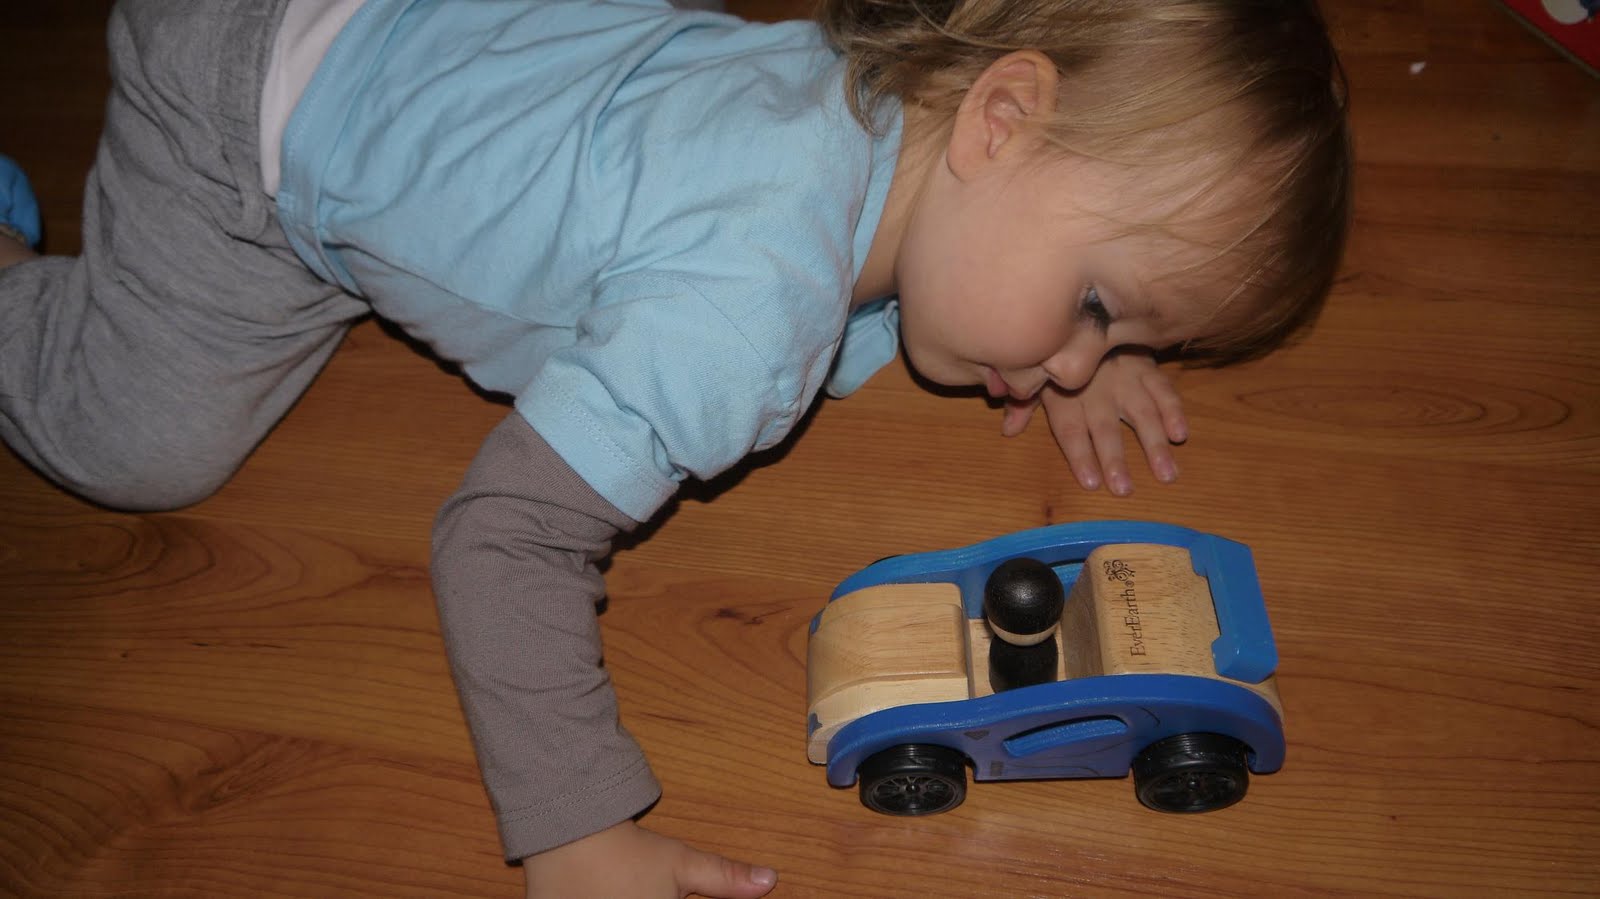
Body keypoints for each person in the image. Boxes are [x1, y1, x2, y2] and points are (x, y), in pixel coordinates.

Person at [0, 0, 1349, 894]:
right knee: (127, 443)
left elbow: (965, 273)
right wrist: (577, 833)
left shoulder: (867, 101)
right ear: (999, 118)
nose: (1079, 362)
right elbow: (502, 537)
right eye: (1098, 309)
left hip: (399, 37)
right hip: (241, 114)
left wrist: (1063, 351)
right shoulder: (746, 304)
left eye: (1119, 340)